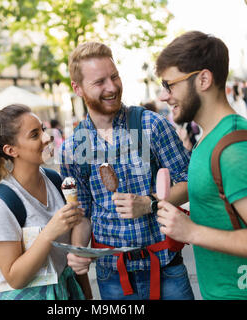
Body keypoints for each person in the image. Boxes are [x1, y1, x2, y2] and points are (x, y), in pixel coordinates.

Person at [155, 31, 247, 300]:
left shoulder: (236, 150)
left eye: (169, 84)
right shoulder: (209, 137)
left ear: (204, 79)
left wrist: (192, 232)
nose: (163, 96)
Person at [60, 42, 194, 300]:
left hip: (166, 268)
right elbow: (84, 213)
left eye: (114, 76)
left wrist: (149, 203)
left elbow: (190, 180)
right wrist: (79, 252)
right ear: (77, 89)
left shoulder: (151, 125)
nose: (111, 87)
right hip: (113, 279)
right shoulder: (72, 148)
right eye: (99, 82)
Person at [0, 104, 86, 300]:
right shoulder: (1, 203)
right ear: (11, 150)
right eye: (35, 135)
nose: (47, 138)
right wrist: (49, 233)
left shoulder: (55, 180)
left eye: (43, 130)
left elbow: (73, 251)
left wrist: (87, 294)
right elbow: (14, 278)